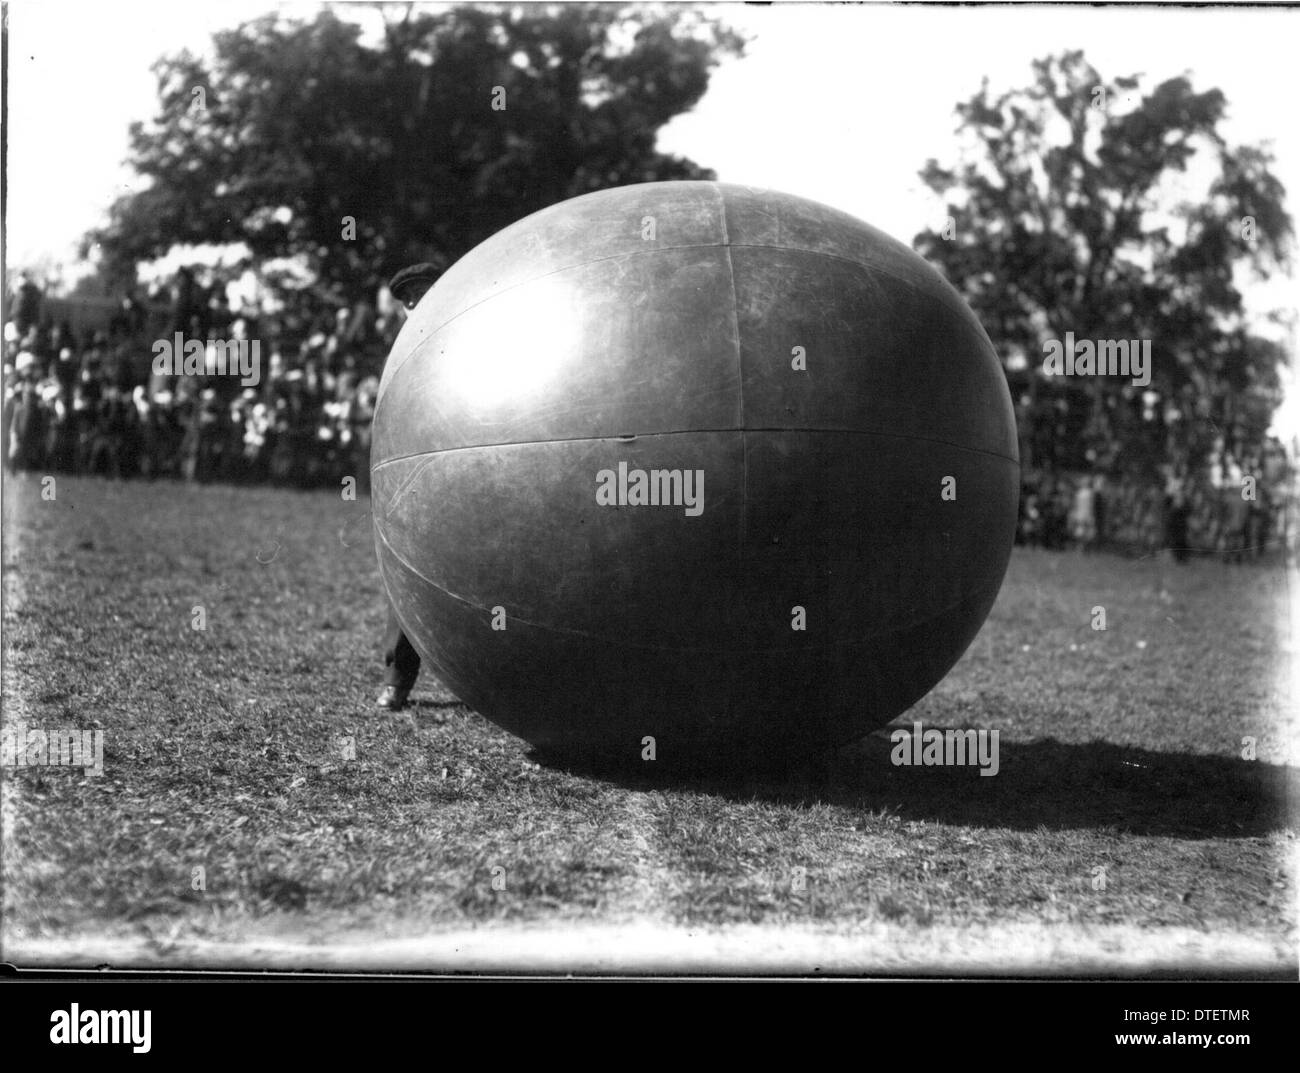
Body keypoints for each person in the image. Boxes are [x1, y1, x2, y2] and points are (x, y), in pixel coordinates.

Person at [375, 263, 443, 710]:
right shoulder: (399, 349)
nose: (415, 304)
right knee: (407, 572)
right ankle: (398, 679)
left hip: (468, 468)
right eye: (408, 298)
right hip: (412, 474)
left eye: (423, 293)